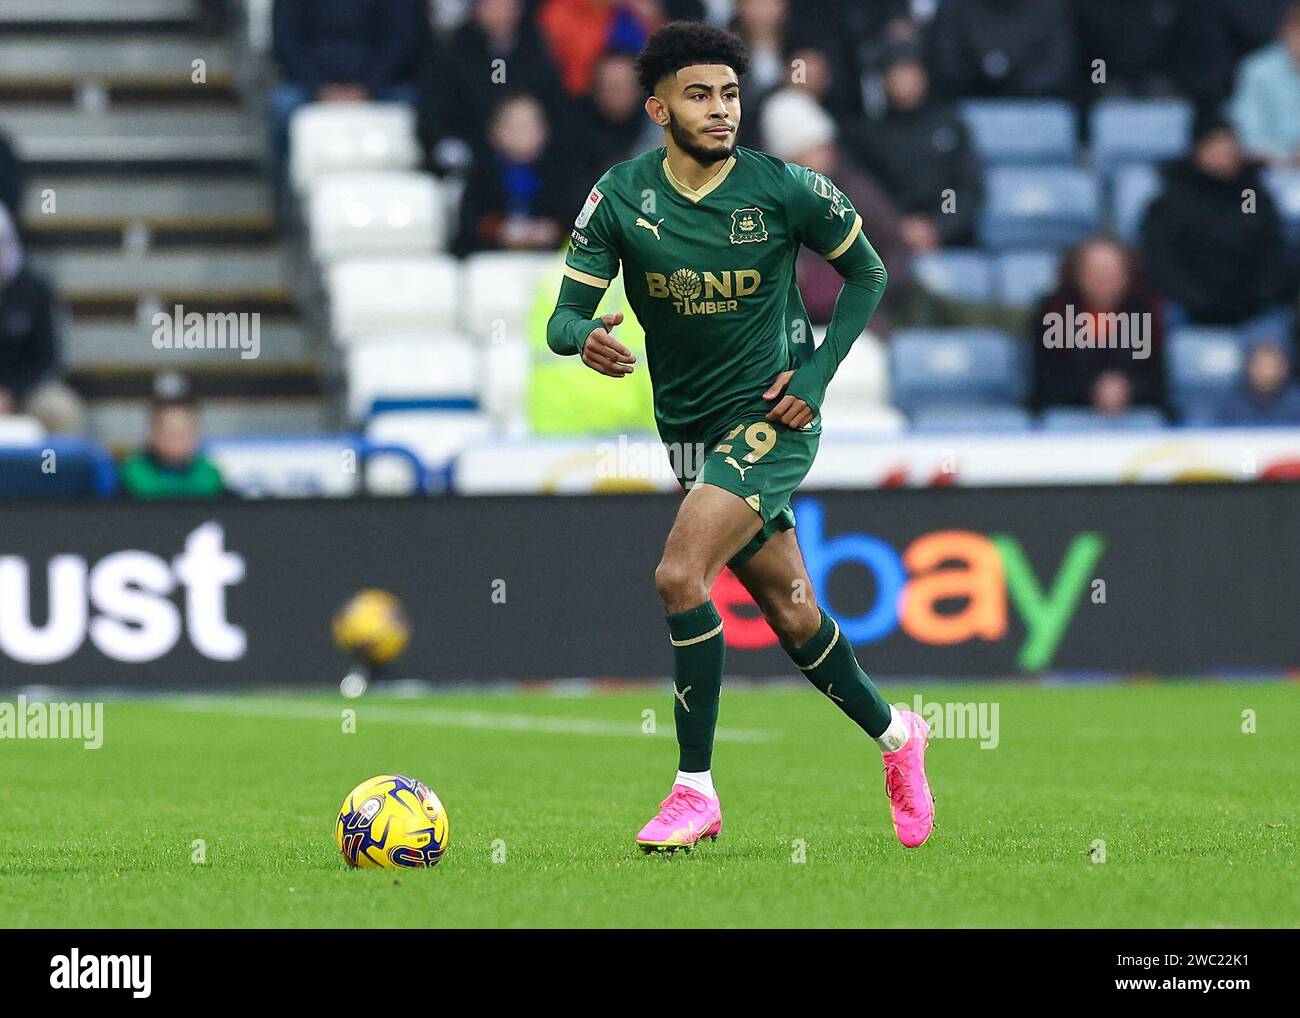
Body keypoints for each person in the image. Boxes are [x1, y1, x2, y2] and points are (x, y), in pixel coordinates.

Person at [545, 22, 934, 853]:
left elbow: (870, 271)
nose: (721, 110)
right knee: (794, 614)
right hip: (686, 431)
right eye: (699, 95)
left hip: (772, 416)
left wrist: (819, 374)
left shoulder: (785, 187)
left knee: (680, 575)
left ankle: (695, 791)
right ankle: (900, 738)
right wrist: (585, 336)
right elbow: (561, 316)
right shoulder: (619, 198)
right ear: (658, 108)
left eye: (729, 93)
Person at [1140, 110, 1293, 326]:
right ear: (1197, 150)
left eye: (1229, 144)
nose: (1224, 152)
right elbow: (1162, 262)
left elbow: (1272, 249)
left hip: (1254, 308)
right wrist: (1201, 301)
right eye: (1215, 144)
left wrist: (1255, 297)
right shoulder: (1174, 200)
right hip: (1189, 309)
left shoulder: (1250, 194)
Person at [267, 0, 431, 197]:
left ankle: (416, 197)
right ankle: (284, 200)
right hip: (311, 86)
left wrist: (368, 87)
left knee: (416, 106)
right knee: (283, 107)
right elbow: (286, 41)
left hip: (381, 86)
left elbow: (404, 39)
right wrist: (320, 87)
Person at [847, 45, 983, 252]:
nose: (906, 81)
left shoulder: (949, 125)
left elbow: (966, 188)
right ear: (884, 80)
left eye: (911, 71)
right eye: (898, 73)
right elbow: (865, 193)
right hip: (888, 243)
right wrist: (898, 228)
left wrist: (939, 227)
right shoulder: (868, 136)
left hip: (951, 240)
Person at [1029, 238, 1168, 417]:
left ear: (1127, 276)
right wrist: (1091, 390)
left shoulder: (1143, 315)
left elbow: (1156, 381)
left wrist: (1128, 389)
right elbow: (1045, 382)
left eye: (1113, 273)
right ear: (1078, 275)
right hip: (1069, 421)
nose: (1104, 281)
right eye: (1096, 273)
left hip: (1132, 420)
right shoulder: (1055, 314)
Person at [452, 94, 579, 255]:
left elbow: (574, 221)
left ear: (544, 131)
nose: (523, 135)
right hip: (490, 262)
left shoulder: (563, 175)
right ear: (494, 131)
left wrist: (552, 230)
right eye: (515, 127)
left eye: (530, 126)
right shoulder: (481, 175)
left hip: (549, 263)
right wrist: (500, 230)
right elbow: (470, 222)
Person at [0, 206, 84, 435]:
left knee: (61, 410)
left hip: (26, 391)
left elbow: (48, 358)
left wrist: (11, 393)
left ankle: (56, 470)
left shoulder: (35, 289)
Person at [119, 381, 226, 499]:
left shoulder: (209, 474)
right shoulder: (132, 474)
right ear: (152, 434)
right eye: (171, 433)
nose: (178, 441)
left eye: (185, 433)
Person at [1229, 0, 1300, 165]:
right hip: (1273, 172)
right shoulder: (1257, 70)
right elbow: (1248, 137)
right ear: (1287, 30)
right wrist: (1288, 157)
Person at [1215, 340, 1300, 424]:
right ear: (1248, 367)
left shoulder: (1297, 403)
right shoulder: (1230, 404)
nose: (1267, 372)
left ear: (1284, 367)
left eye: (1271, 365)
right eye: (1261, 365)